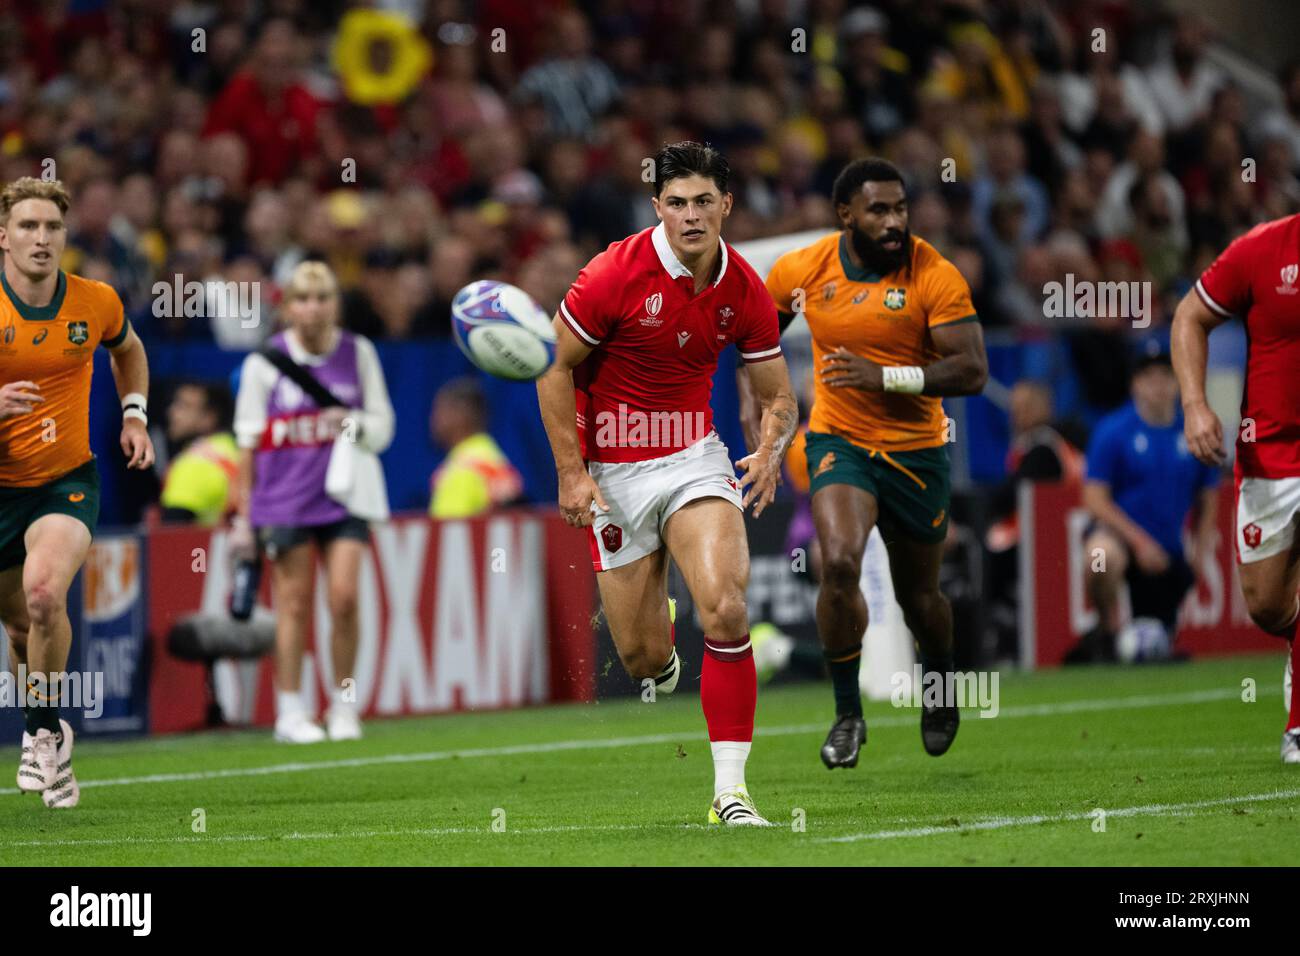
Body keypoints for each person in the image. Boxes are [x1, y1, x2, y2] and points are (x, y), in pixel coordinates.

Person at [536, 142, 798, 825]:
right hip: (613, 472)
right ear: (657, 208)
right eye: (676, 203)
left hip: (692, 458)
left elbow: (778, 395)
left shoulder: (742, 287)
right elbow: (552, 367)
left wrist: (772, 449)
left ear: (726, 206)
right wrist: (571, 473)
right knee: (644, 659)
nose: (690, 215)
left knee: (728, 608)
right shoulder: (611, 274)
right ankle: (662, 644)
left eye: (703, 201)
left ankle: (730, 793)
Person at [758, 157, 988, 769]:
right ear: (846, 216)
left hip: (917, 452)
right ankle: (847, 714)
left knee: (922, 599)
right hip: (841, 441)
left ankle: (938, 686)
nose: (894, 222)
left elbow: (972, 369)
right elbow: (754, 340)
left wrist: (887, 376)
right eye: (879, 211)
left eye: (900, 208)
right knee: (836, 565)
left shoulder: (932, 273)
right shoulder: (804, 270)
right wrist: (771, 411)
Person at [0, 177, 156, 809]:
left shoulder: (93, 301)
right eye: (29, 227)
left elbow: (130, 350)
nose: (42, 238)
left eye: (53, 228)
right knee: (18, 630)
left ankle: (38, 734)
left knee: (43, 596)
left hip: (65, 481)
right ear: (3, 236)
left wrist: (136, 413)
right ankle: (53, 732)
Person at [230, 261, 395, 743]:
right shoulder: (265, 363)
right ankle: (290, 709)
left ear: (335, 305)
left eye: (322, 297)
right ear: (287, 306)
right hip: (282, 500)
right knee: (293, 603)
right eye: (302, 298)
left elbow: (383, 426)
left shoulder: (358, 353)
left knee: (344, 599)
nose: (313, 308)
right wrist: (244, 515)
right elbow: (246, 442)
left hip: (343, 497)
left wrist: (355, 424)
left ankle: (343, 705)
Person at [1172, 213, 1300, 761]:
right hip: (1269, 451)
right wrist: (1196, 405)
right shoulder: (1261, 248)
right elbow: (1189, 317)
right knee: (1268, 605)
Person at [1071, 349, 1218, 664]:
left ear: (1178, 383)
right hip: (1123, 539)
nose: (1157, 385)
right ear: (1134, 384)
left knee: (1158, 630)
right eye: (1148, 377)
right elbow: (1094, 497)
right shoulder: (1113, 430)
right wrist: (1139, 542)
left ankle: (1157, 636)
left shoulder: (1193, 432)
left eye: (1165, 376)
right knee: (1100, 557)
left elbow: (1208, 495)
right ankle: (1107, 629)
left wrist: (1202, 550)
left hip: (1168, 548)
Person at [429, 377, 522, 519]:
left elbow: (446, 533)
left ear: (460, 416)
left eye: (440, 411)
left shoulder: (462, 469)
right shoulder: (494, 458)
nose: (433, 420)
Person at [159, 381, 239, 526]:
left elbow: (172, 532)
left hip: (199, 548)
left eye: (184, 406)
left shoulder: (193, 463)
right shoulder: (234, 450)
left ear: (209, 417)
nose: (172, 412)